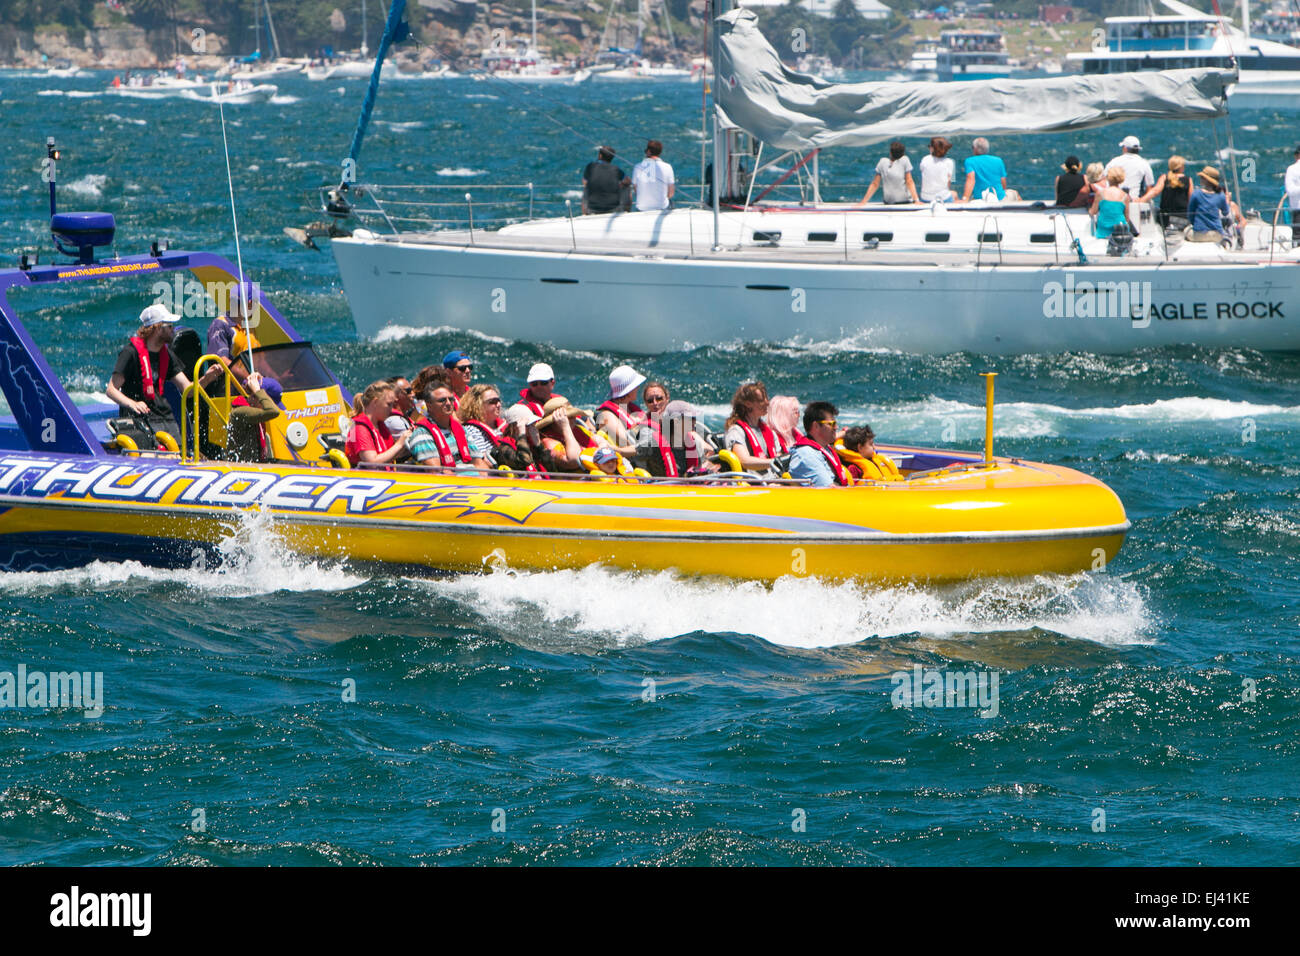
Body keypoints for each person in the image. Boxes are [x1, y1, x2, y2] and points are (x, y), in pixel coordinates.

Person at [106, 303, 194, 421]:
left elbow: (188, 390)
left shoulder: (167, 355)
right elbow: (111, 390)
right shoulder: (130, 353)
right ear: (158, 328)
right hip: (138, 418)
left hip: (163, 417)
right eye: (170, 326)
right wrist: (133, 404)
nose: (173, 329)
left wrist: (208, 378)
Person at [409, 383, 489, 472]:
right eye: (442, 400)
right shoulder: (421, 434)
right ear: (429, 406)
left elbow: (478, 463)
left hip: (475, 483)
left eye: (451, 399)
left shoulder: (461, 429)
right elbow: (436, 472)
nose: (448, 403)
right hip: (450, 484)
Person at [205, 280, 262, 389]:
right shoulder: (220, 325)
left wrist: (277, 377)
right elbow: (223, 361)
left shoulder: (249, 326)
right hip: (229, 391)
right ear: (249, 304)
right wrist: (250, 379)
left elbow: (260, 359)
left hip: (252, 387)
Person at [724, 381, 789, 473]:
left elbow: (778, 457)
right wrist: (773, 462)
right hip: (754, 482)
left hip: (774, 480)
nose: (767, 403)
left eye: (767, 399)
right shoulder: (736, 431)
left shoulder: (769, 431)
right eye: (761, 400)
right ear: (748, 404)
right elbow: (744, 461)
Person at [345, 380, 409, 467]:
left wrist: (406, 444)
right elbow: (371, 463)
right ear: (375, 402)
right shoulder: (359, 429)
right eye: (389, 404)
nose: (391, 409)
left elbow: (389, 455)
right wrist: (399, 444)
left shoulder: (380, 426)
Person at [224, 371, 283, 462]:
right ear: (259, 398)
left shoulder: (255, 412)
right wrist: (257, 390)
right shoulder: (240, 412)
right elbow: (273, 411)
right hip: (241, 469)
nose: (270, 405)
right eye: (267, 401)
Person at [788, 401, 850, 488]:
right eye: (832, 424)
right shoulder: (806, 454)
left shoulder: (825, 449)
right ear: (816, 426)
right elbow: (828, 489)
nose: (836, 427)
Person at [659, 400, 717, 475]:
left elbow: (705, 465)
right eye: (691, 418)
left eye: (695, 418)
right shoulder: (658, 449)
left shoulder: (695, 444)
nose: (694, 422)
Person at [457, 383, 508, 467]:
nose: (498, 405)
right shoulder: (472, 430)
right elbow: (483, 460)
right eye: (493, 402)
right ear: (478, 405)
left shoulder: (504, 426)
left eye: (498, 401)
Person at [1139, 155, 1191, 229]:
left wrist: (1141, 200)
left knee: (1156, 210)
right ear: (1181, 167)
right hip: (1183, 219)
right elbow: (1191, 200)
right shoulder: (1188, 180)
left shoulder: (1164, 177)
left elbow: (1155, 191)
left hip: (1165, 220)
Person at [1186, 165, 1233, 243]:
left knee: (1185, 231)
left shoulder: (1196, 194)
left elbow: (1190, 215)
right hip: (1216, 235)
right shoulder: (1220, 195)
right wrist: (1227, 200)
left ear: (1206, 180)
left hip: (1199, 234)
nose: (1200, 178)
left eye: (1202, 177)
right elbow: (1226, 212)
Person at [961, 138, 1016, 202]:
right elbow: (1003, 181)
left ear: (975, 148)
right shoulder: (998, 160)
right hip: (999, 198)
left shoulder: (970, 161)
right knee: (1015, 194)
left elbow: (970, 179)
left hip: (980, 198)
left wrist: (965, 198)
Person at [582, 145, 630, 215]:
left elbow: (584, 181)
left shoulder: (591, 167)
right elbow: (628, 181)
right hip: (613, 207)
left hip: (593, 208)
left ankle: (585, 214)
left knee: (586, 188)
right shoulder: (615, 169)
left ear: (600, 156)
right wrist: (620, 185)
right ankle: (627, 211)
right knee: (626, 187)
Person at [1090, 166, 1136, 239]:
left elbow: (1093, 212)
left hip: (1103, 231)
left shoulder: (1100, 193)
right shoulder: (1125, 196)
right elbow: (1127, 218)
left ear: (1108, 177)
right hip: (1121, 231)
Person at [1106, 135, 1155, 201]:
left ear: (1125, 148)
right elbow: (1150, 186)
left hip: (1115, 199)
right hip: (1135, 201)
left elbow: (1104, 179)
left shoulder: (1114, 162)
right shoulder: (1144, 164)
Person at [632, 139, 675, 212]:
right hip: (661, 207)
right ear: (660, 152)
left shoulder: (637, 167)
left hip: (642, 208)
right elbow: (671, 193)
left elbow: (636, 190)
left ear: (648, 152)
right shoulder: (668, 167)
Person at [918, 137, 956, 203]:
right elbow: (949, 182)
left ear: (932, 148)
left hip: (926, 198)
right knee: (954, 194)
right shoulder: (950, 162)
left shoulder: (925, 159)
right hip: (943, 198)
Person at [1285, 145, 1300, 244]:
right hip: (1298, 209)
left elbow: (1289, 190)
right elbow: (1290, 190)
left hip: (1297, 210)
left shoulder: (1291, 169)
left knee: (1297, 239)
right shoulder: (1293, 169)